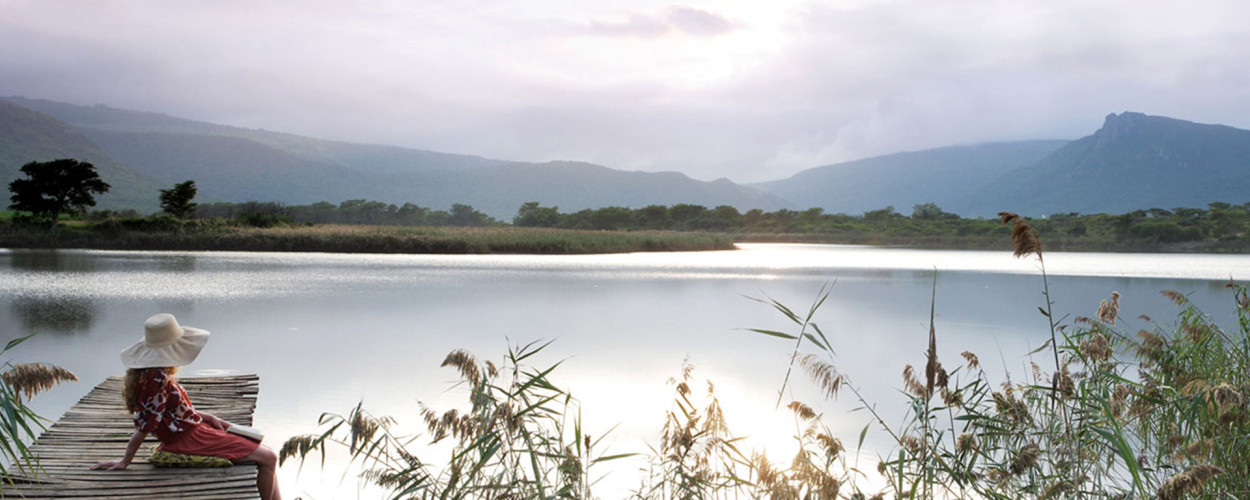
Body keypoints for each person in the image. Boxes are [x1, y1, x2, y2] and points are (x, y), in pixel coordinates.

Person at [92, 313, 282, 500]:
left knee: (266, 453)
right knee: (268, 458)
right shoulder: (156, 380)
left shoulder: (154, 374)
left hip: (194, 431)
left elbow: (171, 413)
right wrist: (125, 461)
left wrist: (207, 417)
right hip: (189, 439)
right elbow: (145, 425)